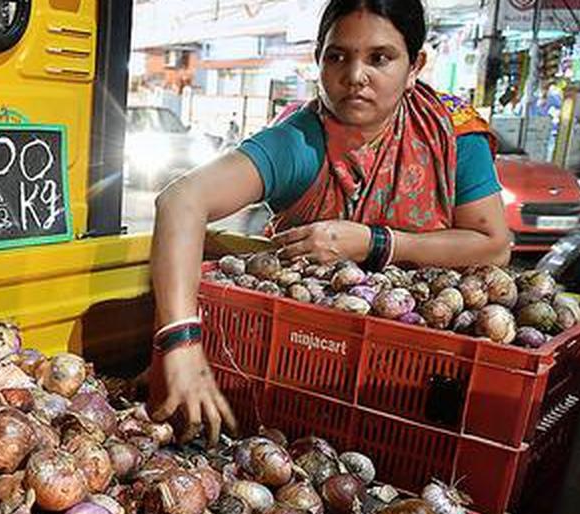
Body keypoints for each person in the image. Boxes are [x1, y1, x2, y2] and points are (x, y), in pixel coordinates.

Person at [148, 0, 511, 444]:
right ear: (318, 59)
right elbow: (181, 200)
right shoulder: (301, 141)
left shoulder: (450, 136)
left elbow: (493, 245)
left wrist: (374, 243)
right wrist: (182, 345)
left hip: (423, 377)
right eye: (337, 56)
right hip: (301, 370)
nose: (355, 76)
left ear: (415, 65)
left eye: (380, 58)